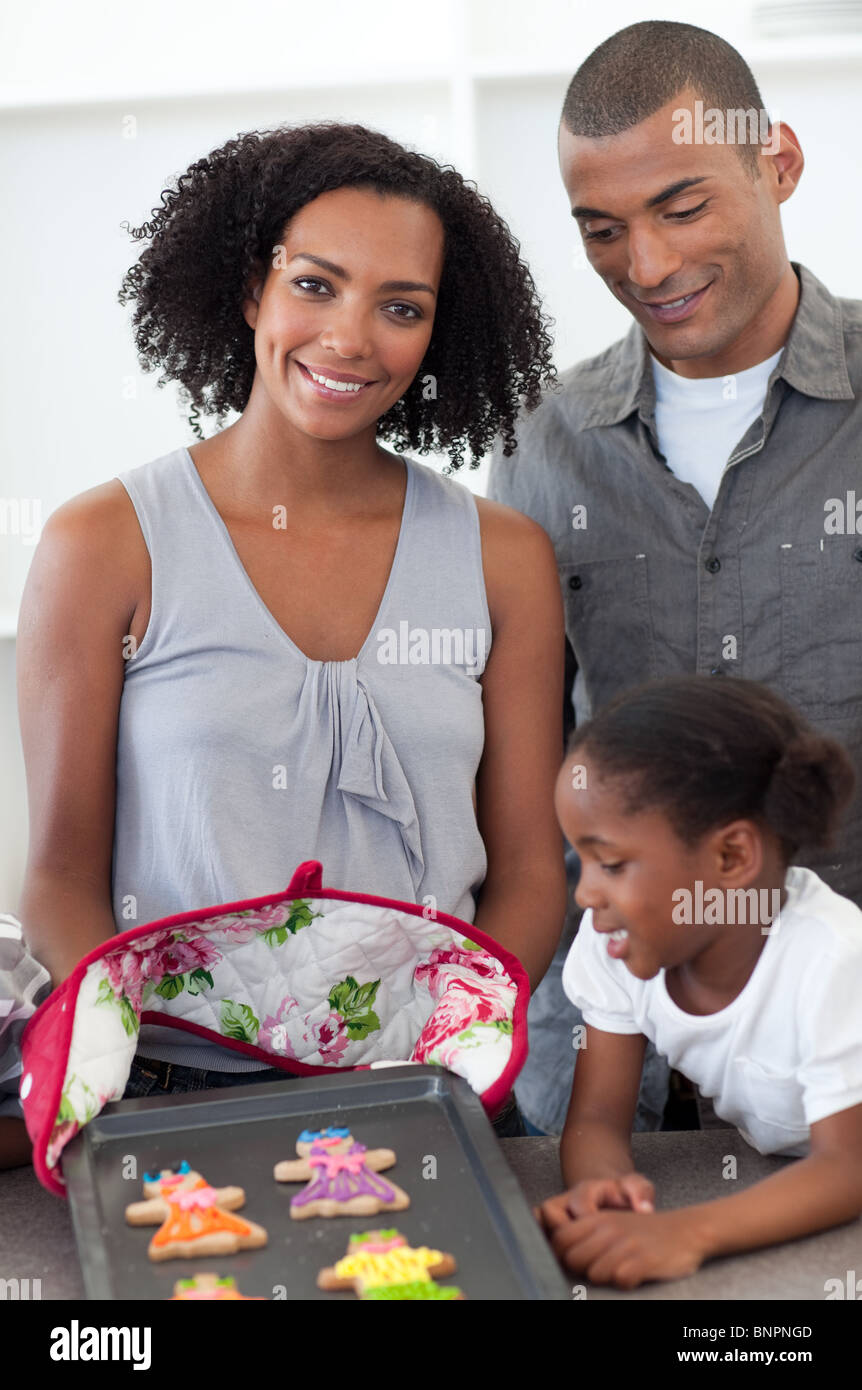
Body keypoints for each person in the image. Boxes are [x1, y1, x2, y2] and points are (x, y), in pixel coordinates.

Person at [8, 121, 567, 1163]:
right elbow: (59, 876)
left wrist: (445, 1057)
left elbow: (532, 870)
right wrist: (123, 1074)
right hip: (169, 1094)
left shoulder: (504, 558)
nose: (351, 338)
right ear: (249, 291)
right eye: (315, 284)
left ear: (437, 336)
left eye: (400, 307)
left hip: (430, 1093)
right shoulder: (103, 542)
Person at [487, 19, 862, 1138]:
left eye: (683, 207)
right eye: (602, 228)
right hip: (614, 1047)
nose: (643, 267)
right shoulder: (538, 441)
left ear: (777, 162)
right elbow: (521, 754)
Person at [538, 675, 862, 1288]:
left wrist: (686, 1232)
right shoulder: (618, 945)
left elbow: (847, 1168)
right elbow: (600, 1117)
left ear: (731, 858)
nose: (585, 894)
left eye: (610, 864)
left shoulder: (832, 957)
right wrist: (602, 1192)